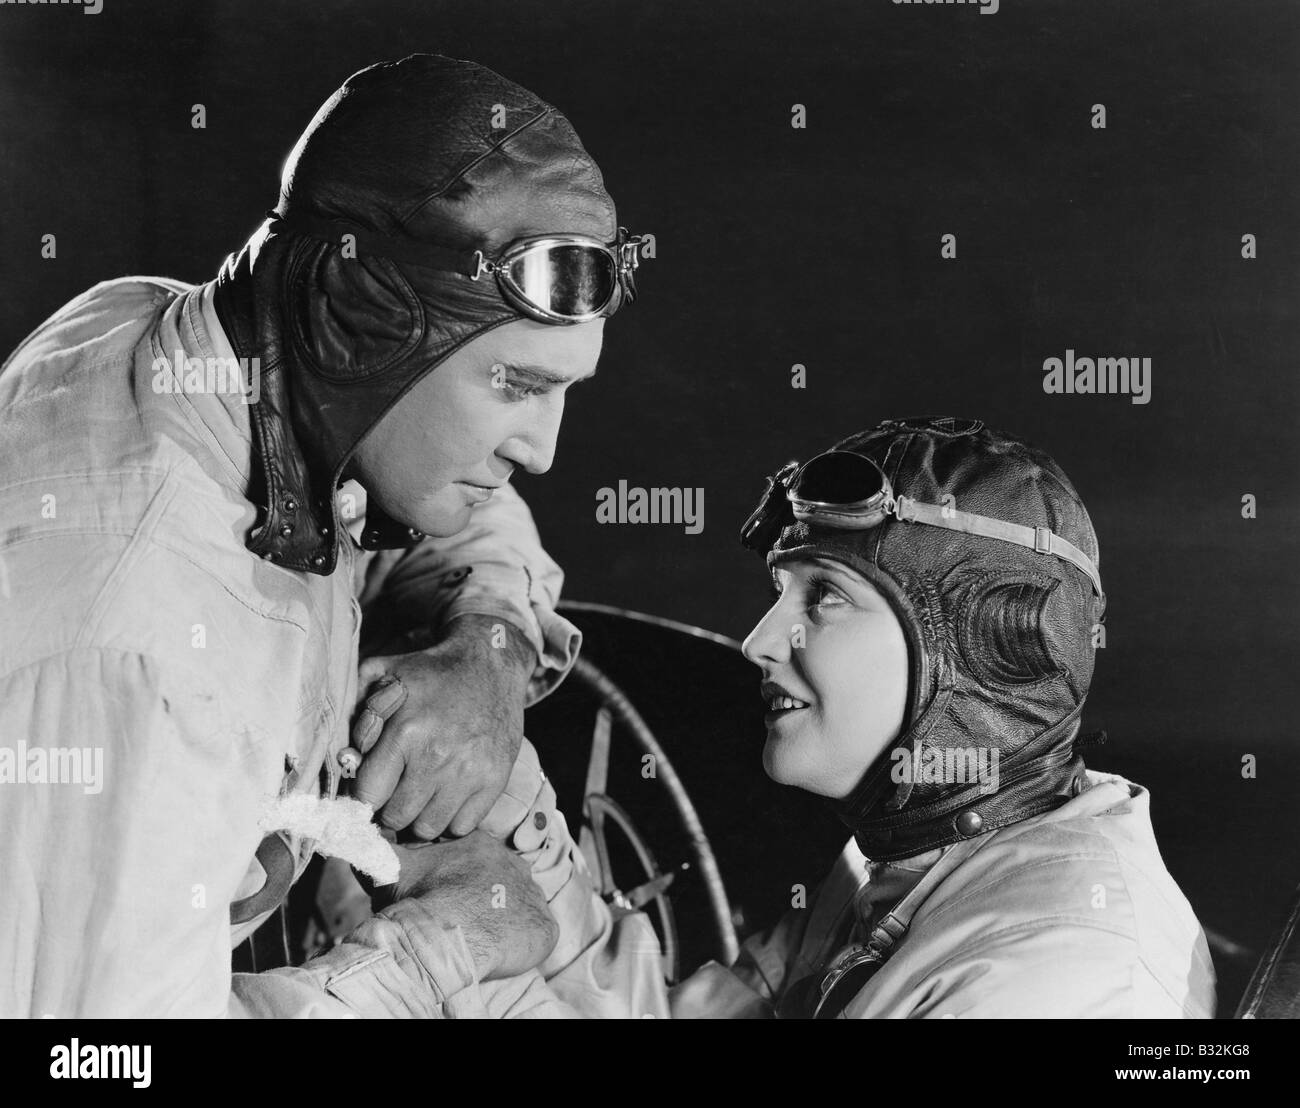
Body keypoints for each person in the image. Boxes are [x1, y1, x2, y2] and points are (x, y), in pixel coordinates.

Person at [0, 54, 668, 1018]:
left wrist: (489, 646)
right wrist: (439, 947)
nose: (544, 450)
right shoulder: (139, 656)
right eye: (519, 386)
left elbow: (432, 505)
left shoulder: (183, 341)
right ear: (360, 321)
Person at [669, 416, 1216, 1018]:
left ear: (979, 643)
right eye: (781, 591)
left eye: (825, 595)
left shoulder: (1053, 977)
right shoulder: (898, 857)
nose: (759, 640)